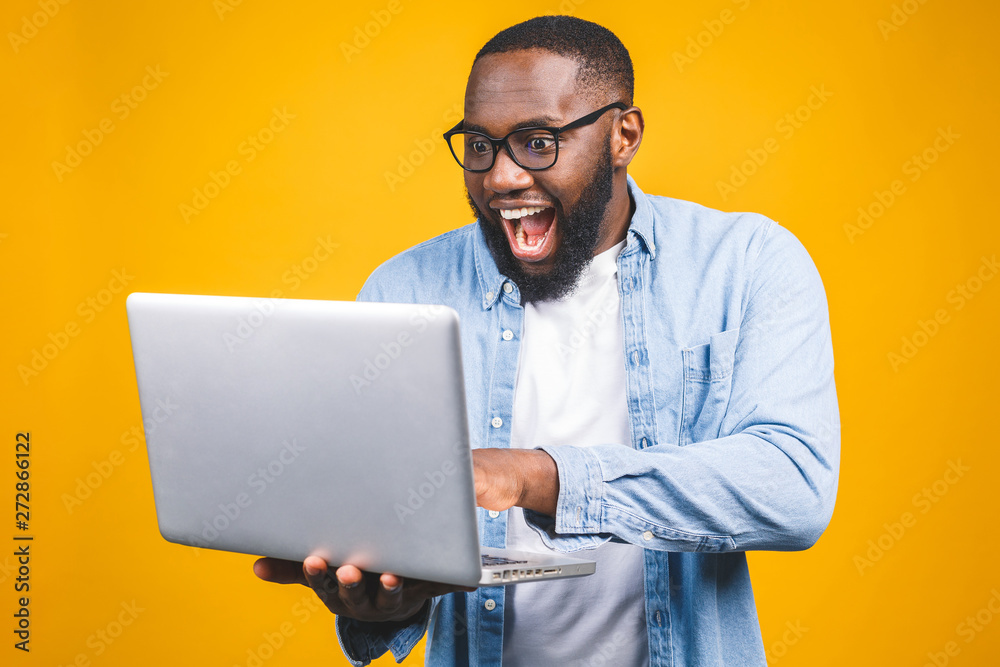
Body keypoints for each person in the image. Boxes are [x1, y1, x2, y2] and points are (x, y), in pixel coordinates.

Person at [254, 15, 840, 666]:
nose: (500, 177)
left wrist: (535, 476)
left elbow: (792, 485)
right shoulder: (404, 289)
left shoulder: (746, 264)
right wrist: (387, 600)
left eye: (537, 143)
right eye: (479, 145)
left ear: (623, 135)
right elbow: (383, 522)